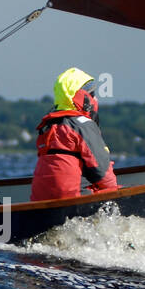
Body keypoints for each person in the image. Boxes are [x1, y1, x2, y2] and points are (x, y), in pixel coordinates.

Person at [30, 67, 118, 201]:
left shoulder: (48, 126)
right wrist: (116, 193)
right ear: (82, 97)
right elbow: (103, 171)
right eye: (92, 94)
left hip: (39, 200)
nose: (96, 98)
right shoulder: (83, 124)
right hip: (74, 198)